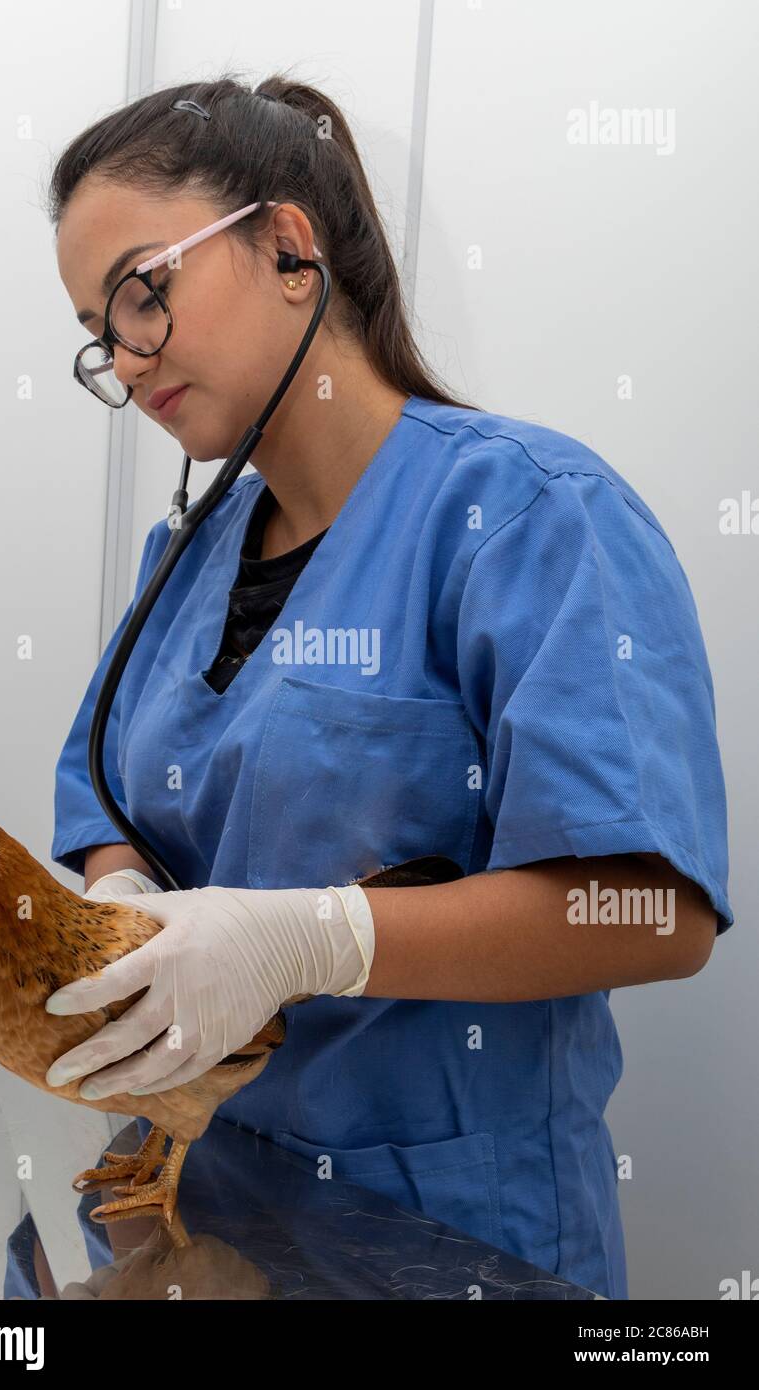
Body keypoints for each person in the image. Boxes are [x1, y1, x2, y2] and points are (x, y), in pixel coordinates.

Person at [41, 74, 733, 1300]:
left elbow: (653, 913)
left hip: (453, 1238)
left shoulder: (529, 517)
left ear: (288, 246)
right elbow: (102, 794)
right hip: (215, 1207)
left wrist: (310, 938)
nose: (127, 355)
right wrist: (136, 901)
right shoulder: (186, 556)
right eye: (101, 330)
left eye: (145, 291)